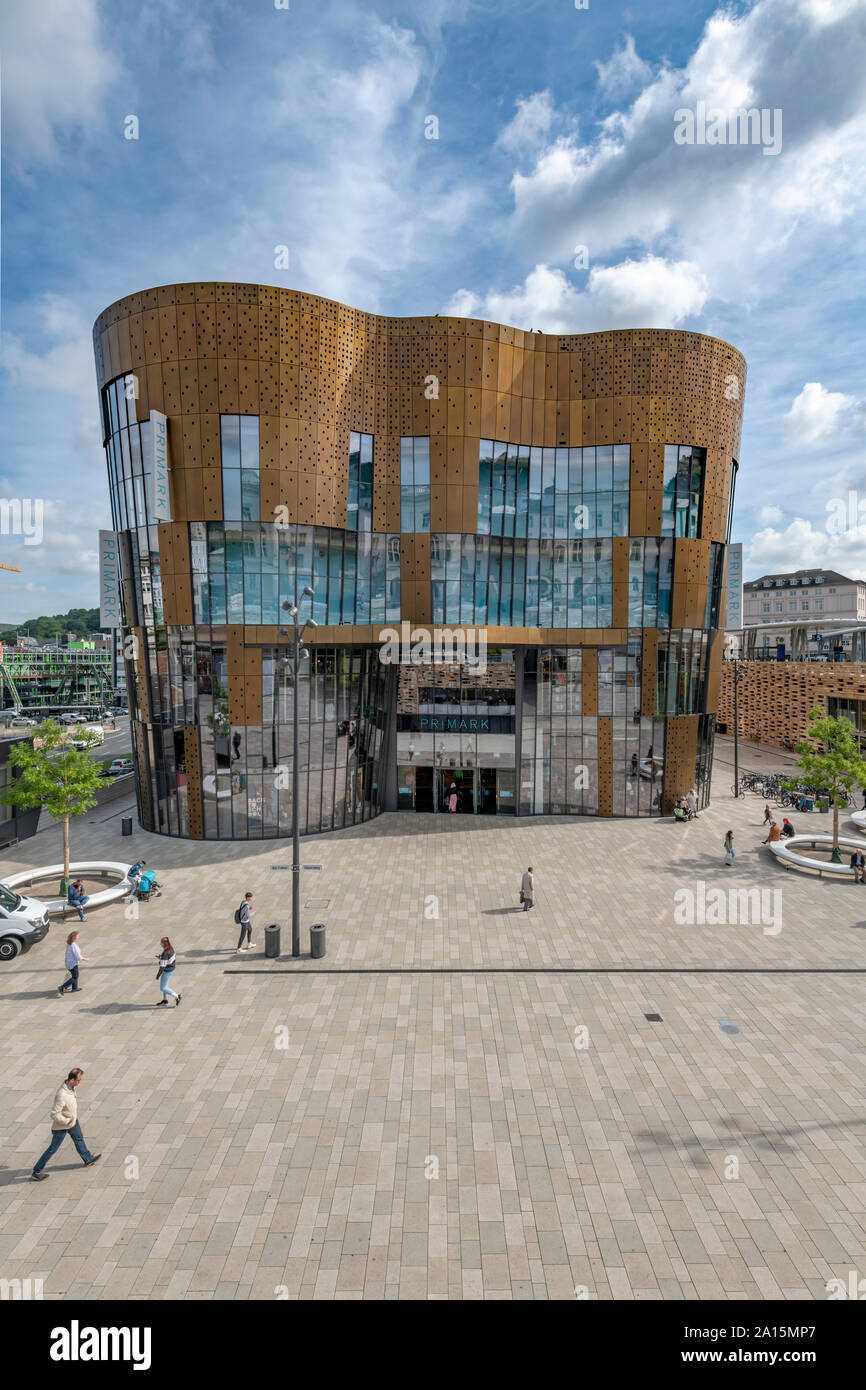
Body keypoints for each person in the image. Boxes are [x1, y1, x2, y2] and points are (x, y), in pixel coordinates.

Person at [30, 1068, 101, 1180]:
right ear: (72, 1079)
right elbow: (54, 1114)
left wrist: (72, 1118)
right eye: (78, 1080)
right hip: (62, 1126)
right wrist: (66, 1120)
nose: (79, 1082)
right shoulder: (61, 1095)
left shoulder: (71, 1088)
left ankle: (87, 1159)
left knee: (79, 1139)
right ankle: (37, 1171)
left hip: (72, 1122)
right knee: (52, 1149)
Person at [58, 930, 89, 995]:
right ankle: (62, 987)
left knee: (75, 976)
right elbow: (77, 956)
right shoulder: (73, 946)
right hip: (72, 964)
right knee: (75, 977)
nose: (78, 937)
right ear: (74, 937)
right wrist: (85, 959)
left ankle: (74, 988)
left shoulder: (70, 944)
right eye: (78, 936)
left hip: (69, 963)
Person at [156, 937, 181, 1006]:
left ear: (164, 944)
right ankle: (165, 999)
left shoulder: (165, 953)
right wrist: (161, 958)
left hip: (167, 971)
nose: (160, 944)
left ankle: (177, 997)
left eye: (161, 943)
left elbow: (162, 966)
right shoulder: (171, 949)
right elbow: (168, 959)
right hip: (171, 969)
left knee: (163, 988)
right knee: (165, 985)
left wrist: (158, 975)